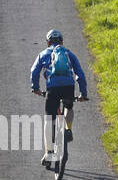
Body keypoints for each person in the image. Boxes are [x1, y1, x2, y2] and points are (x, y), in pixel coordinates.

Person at [30, 29, 88, 166]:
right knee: (68, 106)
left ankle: (49, 152)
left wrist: (36, 88)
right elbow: (80, 74)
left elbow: (34, 71)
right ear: (62, 41)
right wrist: (83, 94)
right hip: (68, 86)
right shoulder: (69, 54)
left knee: (48, 119)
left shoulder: (43, 54)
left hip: (52, 88)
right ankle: (68, 128)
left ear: (48, 42)